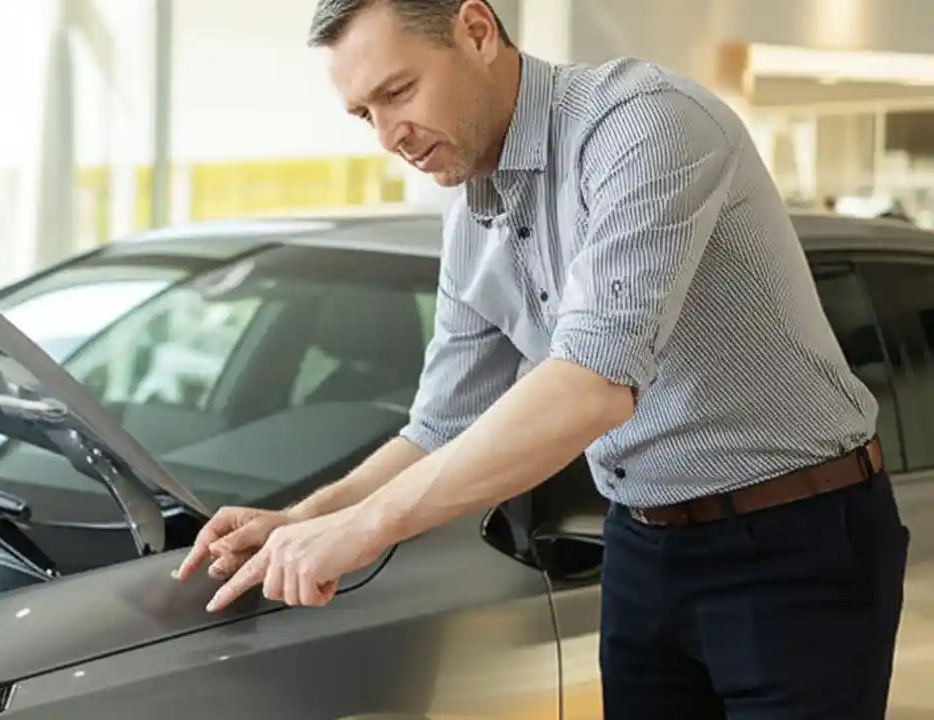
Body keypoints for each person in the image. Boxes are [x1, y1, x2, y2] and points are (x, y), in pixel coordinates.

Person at [172, 1, 910, 717]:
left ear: (477, 30)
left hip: (795, 541)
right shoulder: (473, 214)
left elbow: (592, 386)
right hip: (641, 546)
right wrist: (305, 516)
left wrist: (364, 533)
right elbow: (439, 425)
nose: (389, 135)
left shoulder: (644, 124)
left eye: (399, 91)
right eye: (365, 113)